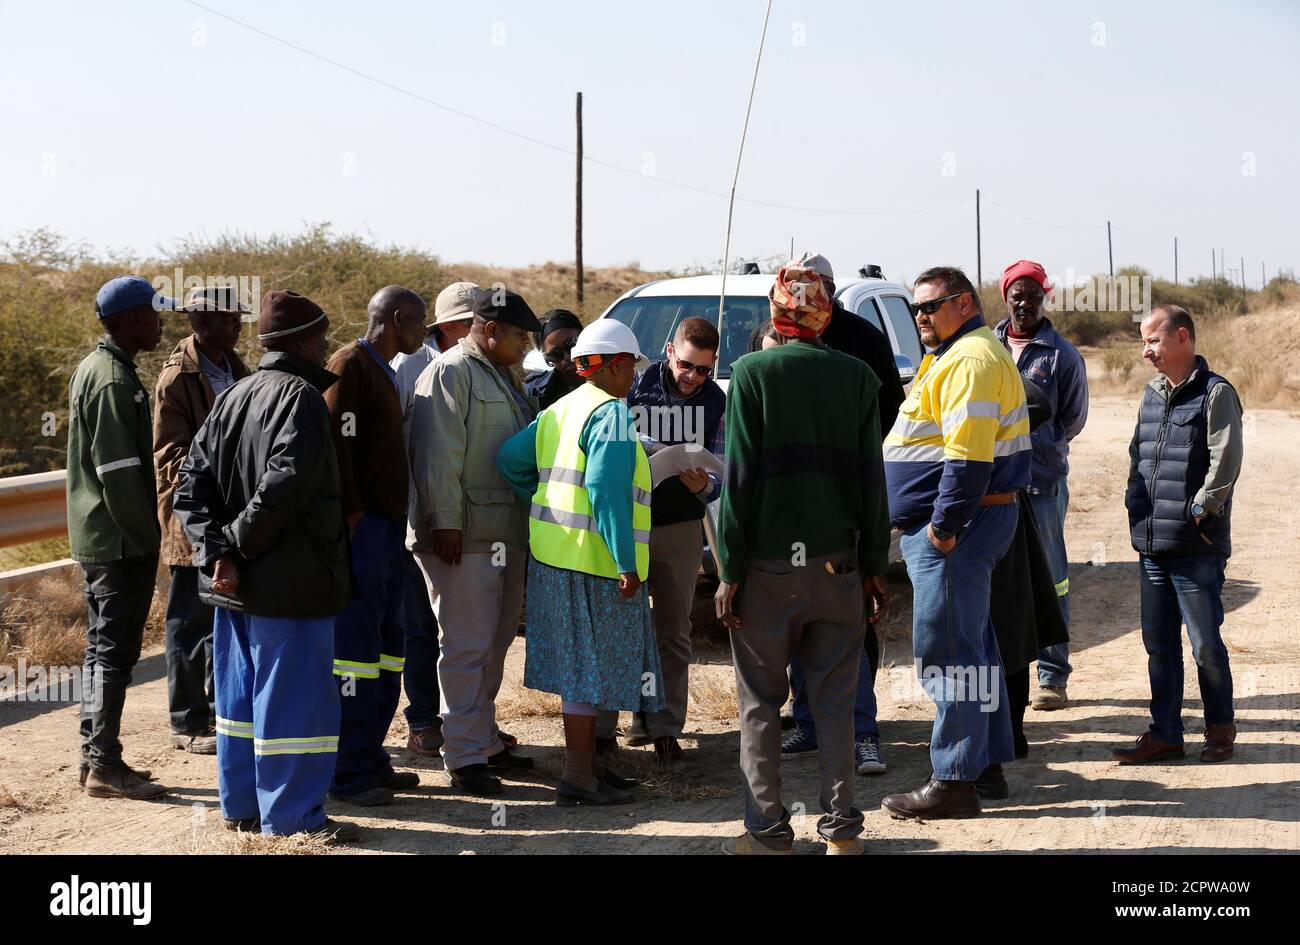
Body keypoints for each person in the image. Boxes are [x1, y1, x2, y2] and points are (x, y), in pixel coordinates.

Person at [713, 266, 890, 855]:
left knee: (760, 703)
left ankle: (767, 831)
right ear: (825, 313)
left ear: (777, 311)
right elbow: (872, 482)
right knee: (836, 701)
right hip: (839, 566)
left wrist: (730, 570)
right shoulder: (859, 377)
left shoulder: (752, 373)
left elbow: (737, 482)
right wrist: (873, 566)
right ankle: (842, 832)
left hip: (766, 571)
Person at [174, 289, 358, 840]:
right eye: (321, 338)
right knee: (293, 707)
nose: (326, 348)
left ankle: (244, 811)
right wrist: (232, 547)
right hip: (289, 586)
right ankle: (294, 823)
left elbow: (190, 485)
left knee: (239, 704)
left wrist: (217, 553)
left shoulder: (233, 395)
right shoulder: (300, 397)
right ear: (302, 341)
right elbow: (285, 486)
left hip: (235, 586)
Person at [879, 266, 1030, 820]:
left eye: (930, 306)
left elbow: (968, 458)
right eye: (915, 309)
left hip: (960, 530)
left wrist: (943, 528)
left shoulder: (969, 359)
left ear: (963, 303)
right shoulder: (961, 353)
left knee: (949, 654)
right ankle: (983, 765)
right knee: (975, 649)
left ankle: (955, 779)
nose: (920, 316)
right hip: (971, 526)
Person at [497, 318, 664, 807]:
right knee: (588, 671)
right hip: (595, 563)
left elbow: (510, 460)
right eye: (631, 365)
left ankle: (587, 766)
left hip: (554, 558)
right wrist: (626, 563)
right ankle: (577, 778)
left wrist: (545, 503)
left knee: (578, 667)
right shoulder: (611, 413)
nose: (634, 375)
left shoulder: (561, 409)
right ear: (614, 365)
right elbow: (607, 492)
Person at [408, 288, 539, 796]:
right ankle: (462, 756)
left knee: (493, 643)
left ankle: (482, 741)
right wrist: (445, 524)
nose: (526, 345)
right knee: (465, 645)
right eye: (519, 336)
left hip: (502, 532)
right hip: (461, 538)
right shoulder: (449, 372)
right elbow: (436, 454)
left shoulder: (504, 375)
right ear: (488, 330)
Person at [780, 252, 903, 777]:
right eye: (797, 288)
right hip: (786, 516)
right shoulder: (771, 346)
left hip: (842, 507)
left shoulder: (861, 342)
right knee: (796, 625)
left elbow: (890, 404)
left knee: (848, 628)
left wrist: (858, 443)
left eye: (816, 286)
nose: (807, 299)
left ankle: (862, 733)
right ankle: (807, 721)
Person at [1115, 305, 1242, 765]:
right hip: (1152, 545)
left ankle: (1219, 730)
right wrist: (1134, 503)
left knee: (1206, 644)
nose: (1146, 350)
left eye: (1153, 340)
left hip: (1196, 546)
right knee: (1159, 645)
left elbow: (1225, 461)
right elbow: (1138, 455)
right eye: (1144, 342)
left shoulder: (1215, 393)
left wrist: (1201, 511)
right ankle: (1165, 733)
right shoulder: (1152, 393)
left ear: (1182, 338)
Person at [595, 316, 725, 765]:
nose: (694, 378)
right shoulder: (633, 384)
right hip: (628, 525)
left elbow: (720, 472)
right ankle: (605, 731)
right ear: (670, 351)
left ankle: (668, 728)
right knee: (620, 627)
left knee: (674, 631)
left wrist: (703, 486)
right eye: (687, 366)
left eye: (705, 370)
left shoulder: (715, 401)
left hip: (681, 527)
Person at [67, 276, 174, 800]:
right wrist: (148, 537)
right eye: (155, 313)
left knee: (100, 652)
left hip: (106, 537)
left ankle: (95, 758)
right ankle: (105, 765)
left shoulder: (104, 368)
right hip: (118, 540)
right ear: (133, 319)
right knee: (112, 654)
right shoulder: (112, 379)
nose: (161, 322)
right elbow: (119, 472)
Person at [323, 285, 427, 806]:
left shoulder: (388, 369)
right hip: (364, 531)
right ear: (398, 317)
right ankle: (347, 773)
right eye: (420, 322)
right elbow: (334, 441)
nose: (425, 332)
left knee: (389, 650)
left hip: (389, 529)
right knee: (357, 654)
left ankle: (372, 755)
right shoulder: (350, 364)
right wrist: (353, 509)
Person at [153, 284, 252, 756]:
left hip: (230, 517)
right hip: (192, 520)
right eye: (229, 319)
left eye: (238, 319)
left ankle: (221, 714)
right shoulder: (177, 379)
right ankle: (187, 722)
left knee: (223, 620)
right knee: (188, 622)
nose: (237, 326)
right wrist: (219, 466)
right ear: (201, 324)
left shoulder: (236, 368)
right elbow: (169, 455)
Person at [992, 259, 1089, 711]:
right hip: (991, 481)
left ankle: (1053, 678)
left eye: (1033, 295)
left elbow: (1072, 418)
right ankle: (1000, 676)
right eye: (1017, 295)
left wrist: (1039, 446)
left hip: (1041, 482)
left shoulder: (1060, 354)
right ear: (1005, 297)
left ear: (1044, 298)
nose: (1024, 303)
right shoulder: (986, 346)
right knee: (996, 579)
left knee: (1053, 581)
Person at [391, 281, 482, 757]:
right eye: (472, 322)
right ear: (449, 328)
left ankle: (468, 725)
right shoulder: (411, 367)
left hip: (473, 522)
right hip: (423, 520)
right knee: (423, 626)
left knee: (466, 631)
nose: (483, 329)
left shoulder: (486, 368)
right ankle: (424, 722)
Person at [525, 308, 584, 409]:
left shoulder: (614, 375)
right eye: (555, 354)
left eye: (572, 345)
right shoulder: (535, 393)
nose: (568, 357)